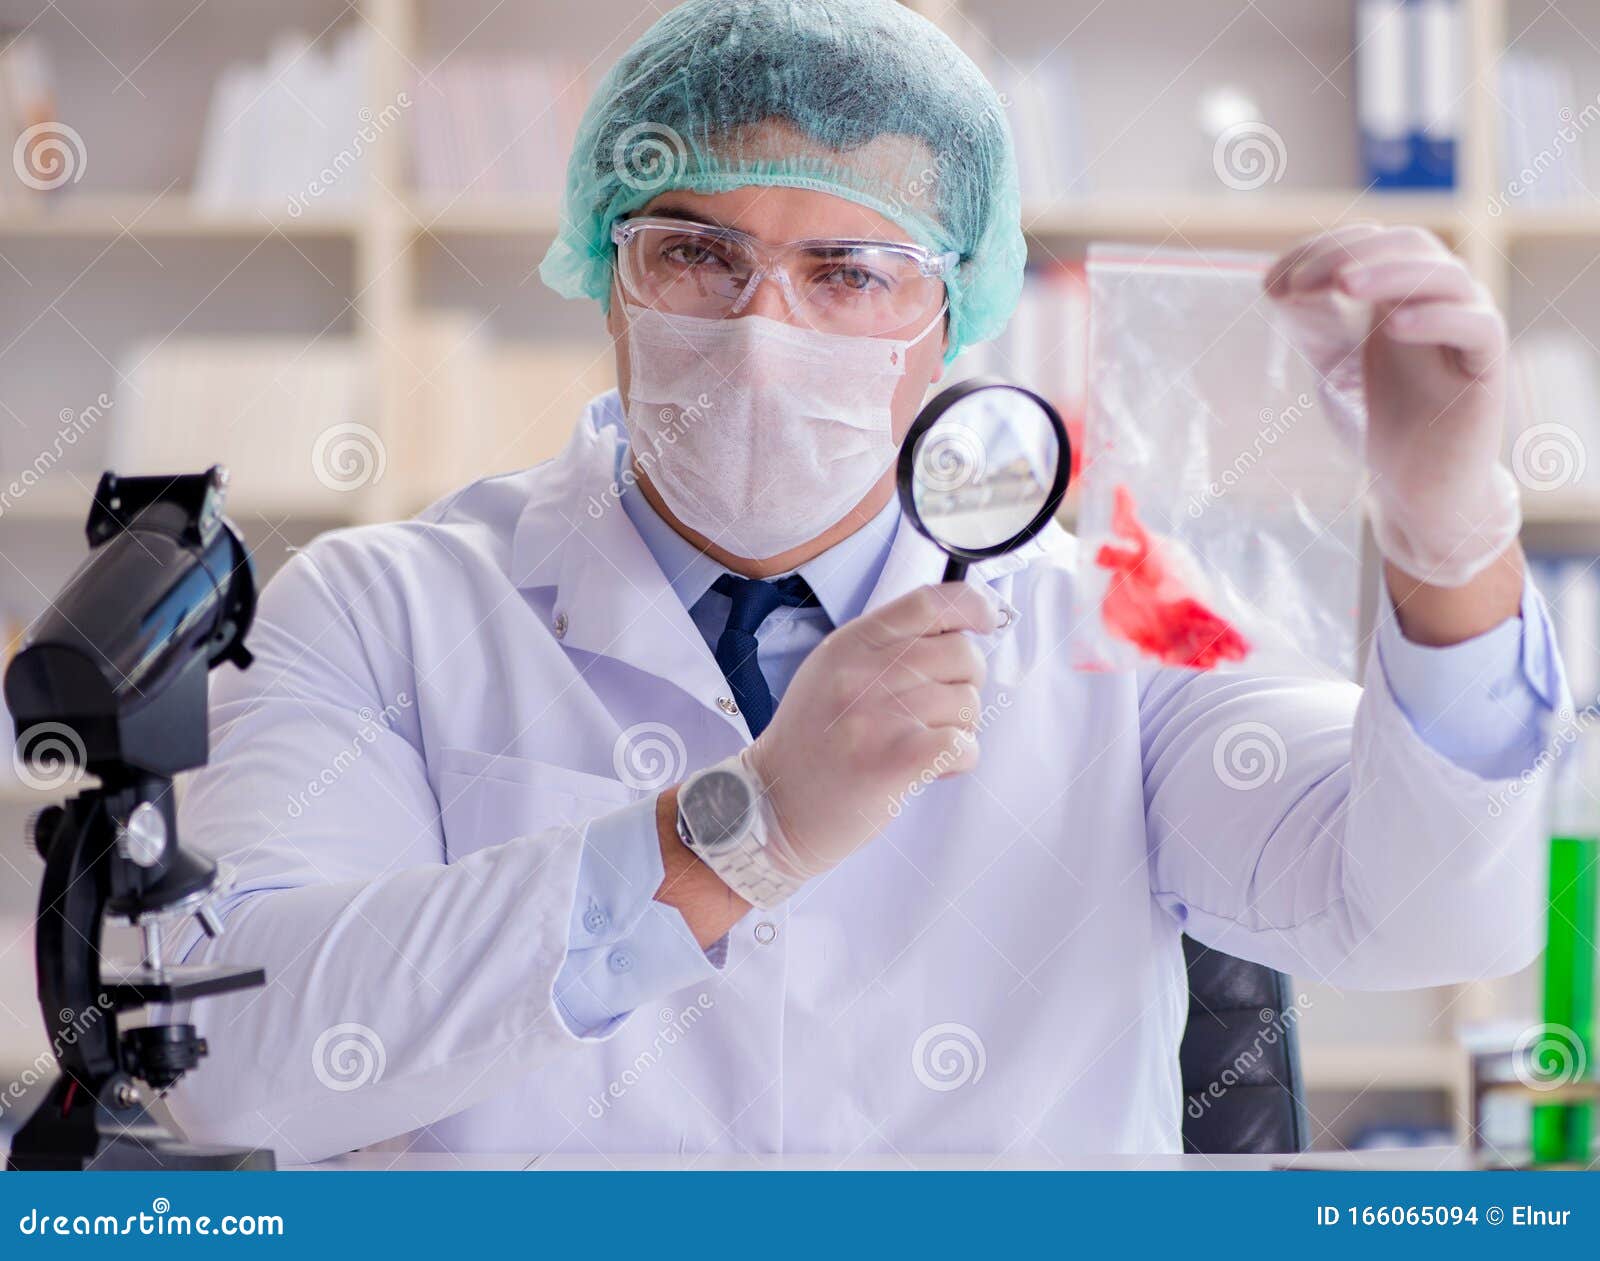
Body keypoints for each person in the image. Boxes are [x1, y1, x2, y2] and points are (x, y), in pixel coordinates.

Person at [167, 0, 1563, 1162]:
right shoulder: (383, 609)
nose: (762, 328)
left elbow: (1431, 912)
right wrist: (733, 833)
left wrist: (1449, 546)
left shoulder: (1118, 614)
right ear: (605, 270)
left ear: (956, 312)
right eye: (695, 253)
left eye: (848, 270)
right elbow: (228, 1062)